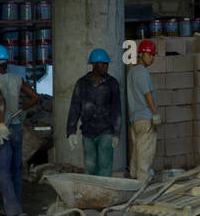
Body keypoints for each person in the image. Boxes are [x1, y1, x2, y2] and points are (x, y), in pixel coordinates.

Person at [0, 43, 42, 216]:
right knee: (16, 168)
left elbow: (0, 100)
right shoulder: (17, 79)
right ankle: (14, 206)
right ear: (6, 63)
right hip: (17, 128)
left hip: (2, 128)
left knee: (2, 170)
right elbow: (35, 97)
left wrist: (1, 124)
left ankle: (13, 210)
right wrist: (21, 110)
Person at [66, 48, 123, 177]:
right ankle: (92, 195)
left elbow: (116, 109)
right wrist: (71, 131)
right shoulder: (82, 83)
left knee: (105, 167)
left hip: (106, 132)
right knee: (90, 168)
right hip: (88, 132)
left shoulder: (112, 83)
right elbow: (75, 107)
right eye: (103, 64)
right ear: (94, 64)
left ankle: (104, 195)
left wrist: (116, 133)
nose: (106, 67)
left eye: (107, 64)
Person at [126, 39, 161, 184]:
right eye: (149, 54)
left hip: (134, 118)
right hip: (146, 117)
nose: (152, 58)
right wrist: (155, 113)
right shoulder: (143, 72)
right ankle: (143, 180)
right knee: (146, 150)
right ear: (140, 54)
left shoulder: (131, 72)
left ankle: (134, 175)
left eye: (153, 55)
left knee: (137, 149)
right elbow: (148, 95)